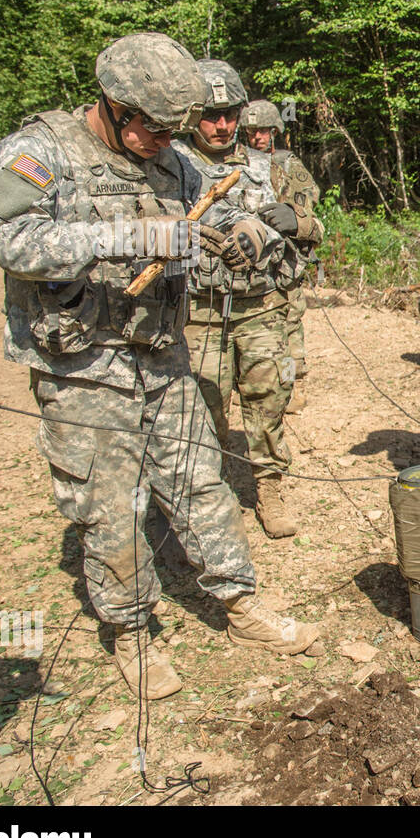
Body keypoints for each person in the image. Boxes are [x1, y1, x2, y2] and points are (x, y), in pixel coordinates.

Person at [0, 32, 320, 698]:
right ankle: (132, 633)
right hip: (81, 366)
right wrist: (124, 234)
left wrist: (246, 240)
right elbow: (12, 242)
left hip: (161, 355)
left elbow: (214, 225)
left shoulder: (175, 163)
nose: (166, 141)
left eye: (175, 130)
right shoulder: (40, 150)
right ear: (112, 105)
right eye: (153, 128)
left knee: (200, 484)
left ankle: (241, 605)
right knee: (110, 507)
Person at [172, 60, 321, 538]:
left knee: (267, 401)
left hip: (262, 307)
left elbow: (313, 230)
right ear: (192, 114)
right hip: (198, 311)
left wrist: (294, 222)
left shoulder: (270, 166)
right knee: (202, 409)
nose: (222, 126)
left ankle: (270, 487)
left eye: (230, 114)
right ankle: (208, 495)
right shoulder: (168, 166)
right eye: (211, 115)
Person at [242, 99, 323, 414]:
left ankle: (294, 386)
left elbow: (306, 208)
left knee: (290, 331)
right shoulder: (240, 164)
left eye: (263, 130)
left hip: (285, 262)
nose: (257, 137)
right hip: (252, 262)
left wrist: (289, 213)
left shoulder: (289, 164)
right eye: (251, 131)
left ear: (275, 131)